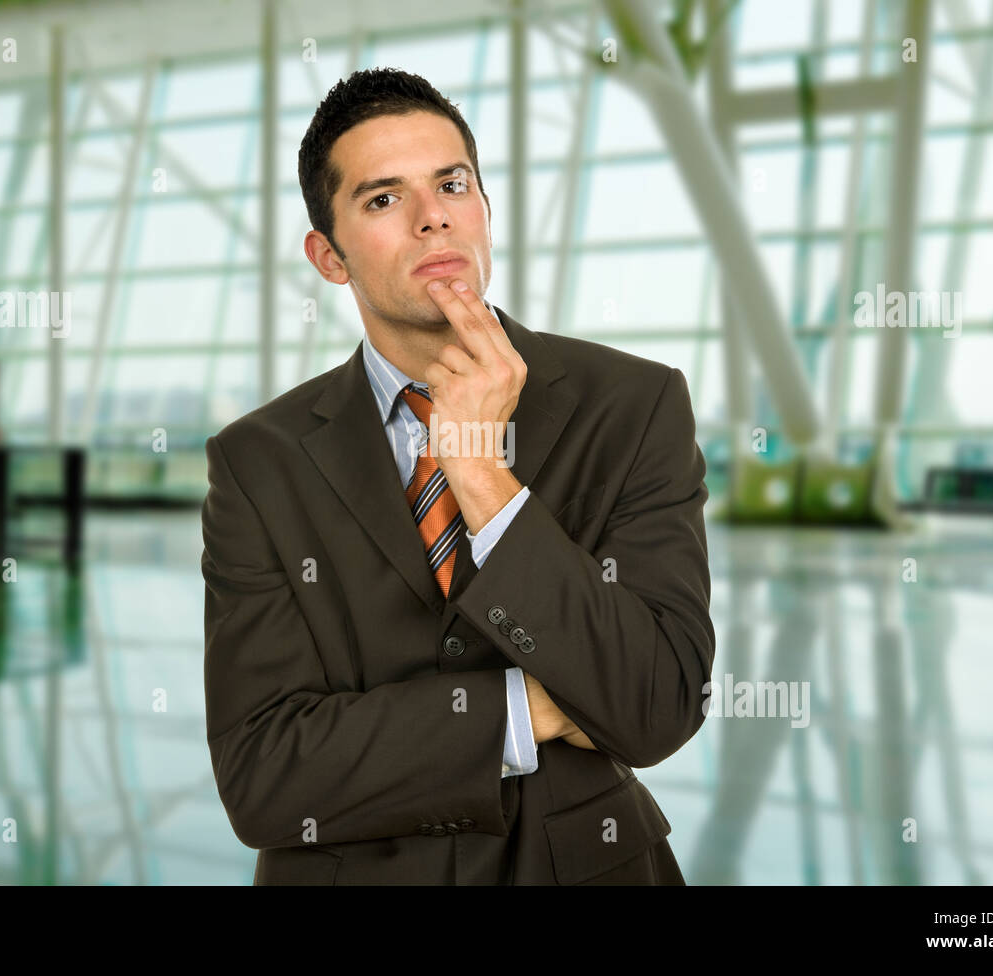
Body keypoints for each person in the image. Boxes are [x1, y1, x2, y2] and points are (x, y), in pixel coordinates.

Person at [202, 67, 714, 884]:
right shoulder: (258, 460)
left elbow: (654, 706)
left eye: (452, 183)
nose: (432, 215)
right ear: (329, 258)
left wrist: (479, 474)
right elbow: (264, 775)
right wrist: (534, 708)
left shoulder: (634, 404)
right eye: (382, 199)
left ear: (482, 207)